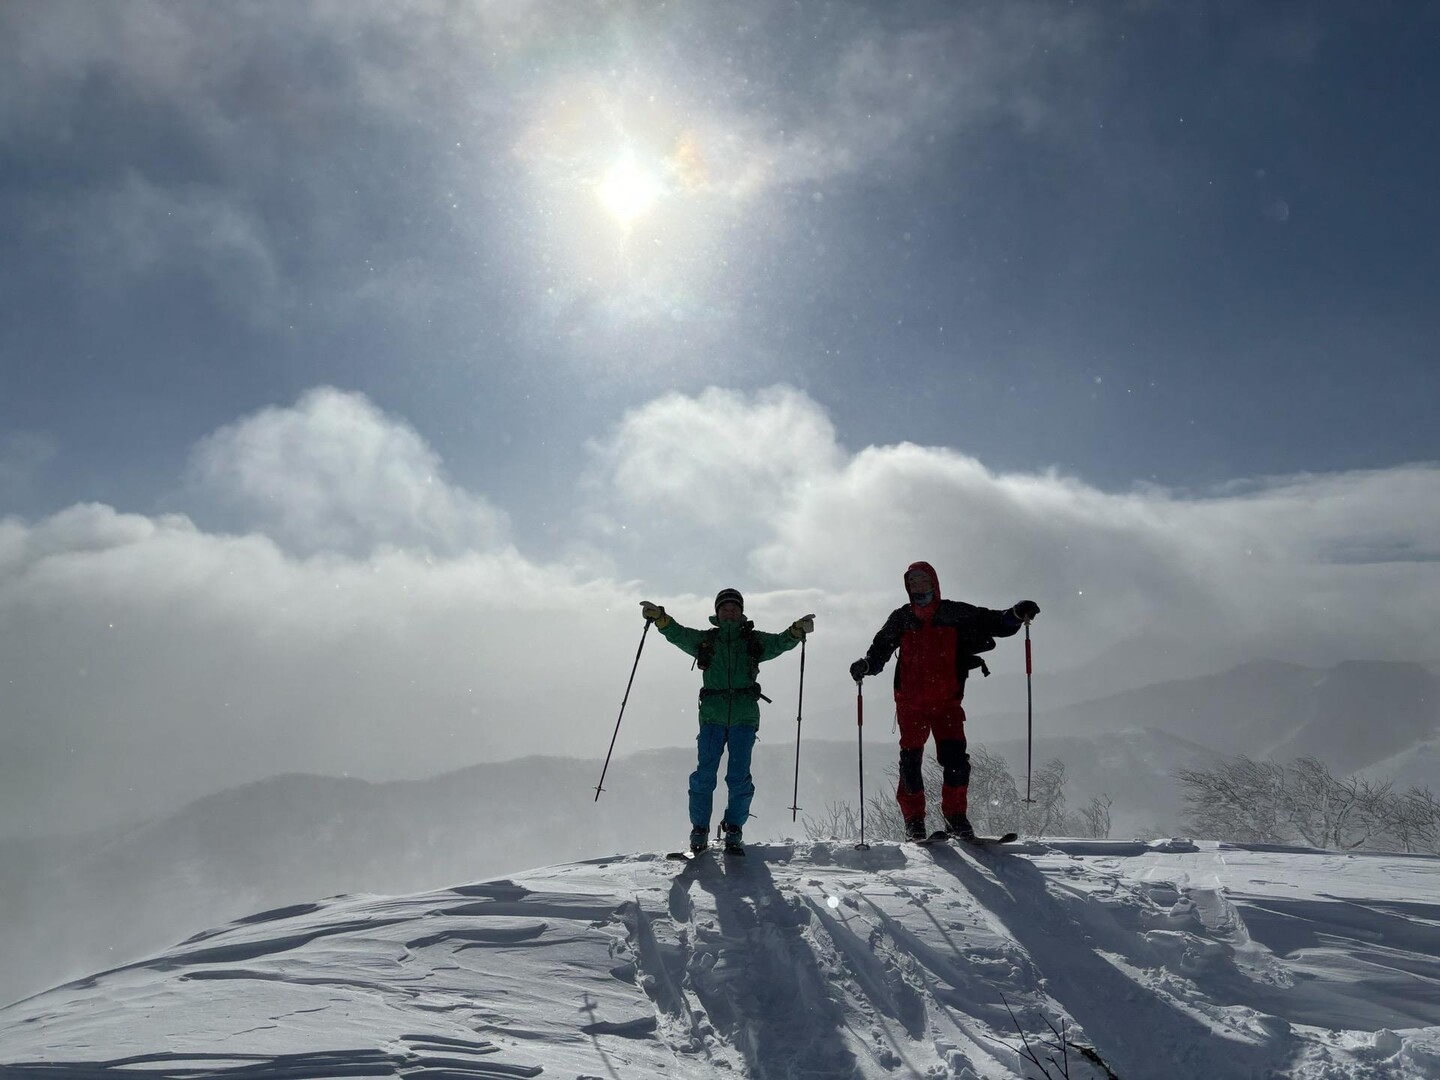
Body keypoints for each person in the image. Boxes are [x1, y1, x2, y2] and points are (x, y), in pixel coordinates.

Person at [849, 561, 1039, 841]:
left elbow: (993, 622)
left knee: (956, 763)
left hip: (947, 704)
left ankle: (955, 818)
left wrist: (1014, 614)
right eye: (912, 583)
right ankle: (914, 822)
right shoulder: (901, 618)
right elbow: (880, 649)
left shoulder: (954, 613)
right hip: (910, 705)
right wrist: (866, 665)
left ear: (934, 583)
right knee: (910, 763)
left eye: (922, 581)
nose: (917, 587)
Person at [640, 589, 814, 854]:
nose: (729, 611)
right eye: (725, 608)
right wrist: (662, 619)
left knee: (737, 778)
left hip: (741, 717)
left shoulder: (751, 641)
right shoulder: (707, 640)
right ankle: (701, 829)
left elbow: (780, 642)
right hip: (713, 717)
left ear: (741, 612)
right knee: (705, 776)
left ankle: (732, 828)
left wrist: (795, 631)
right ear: (717, 613)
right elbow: (679, 634)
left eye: (734, 608)